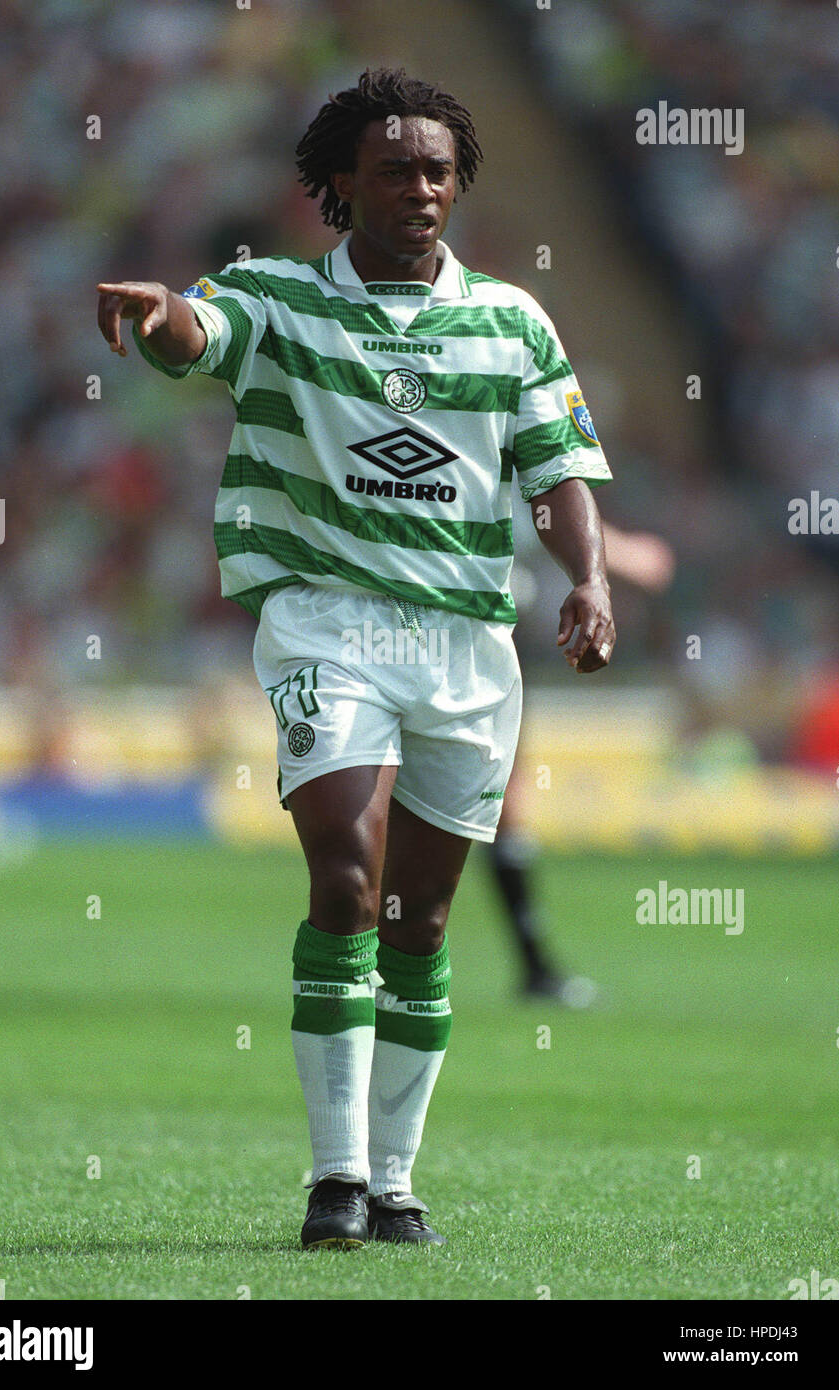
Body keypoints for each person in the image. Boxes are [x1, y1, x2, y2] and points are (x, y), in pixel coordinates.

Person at [95, 67, 615, 1250]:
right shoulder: (280, 298)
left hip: (467, 645)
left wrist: (585, 578)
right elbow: (199, 331)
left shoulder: (513, 320)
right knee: (346, 869)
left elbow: (559, 466)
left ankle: (395, 1181)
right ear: (341, 184)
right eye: (395, 170)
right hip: (330, 622)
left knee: (420, 922)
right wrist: (161, 311)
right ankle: (333, 1177)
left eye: (438, 170)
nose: (421, 188)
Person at [491, 524, 675, 1001]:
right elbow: (539, 502)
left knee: (500, 801)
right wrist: (626, 552)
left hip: (478, 636)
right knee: (501, 800)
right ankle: (532, 966)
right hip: (470, 637)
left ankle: (532, 966)